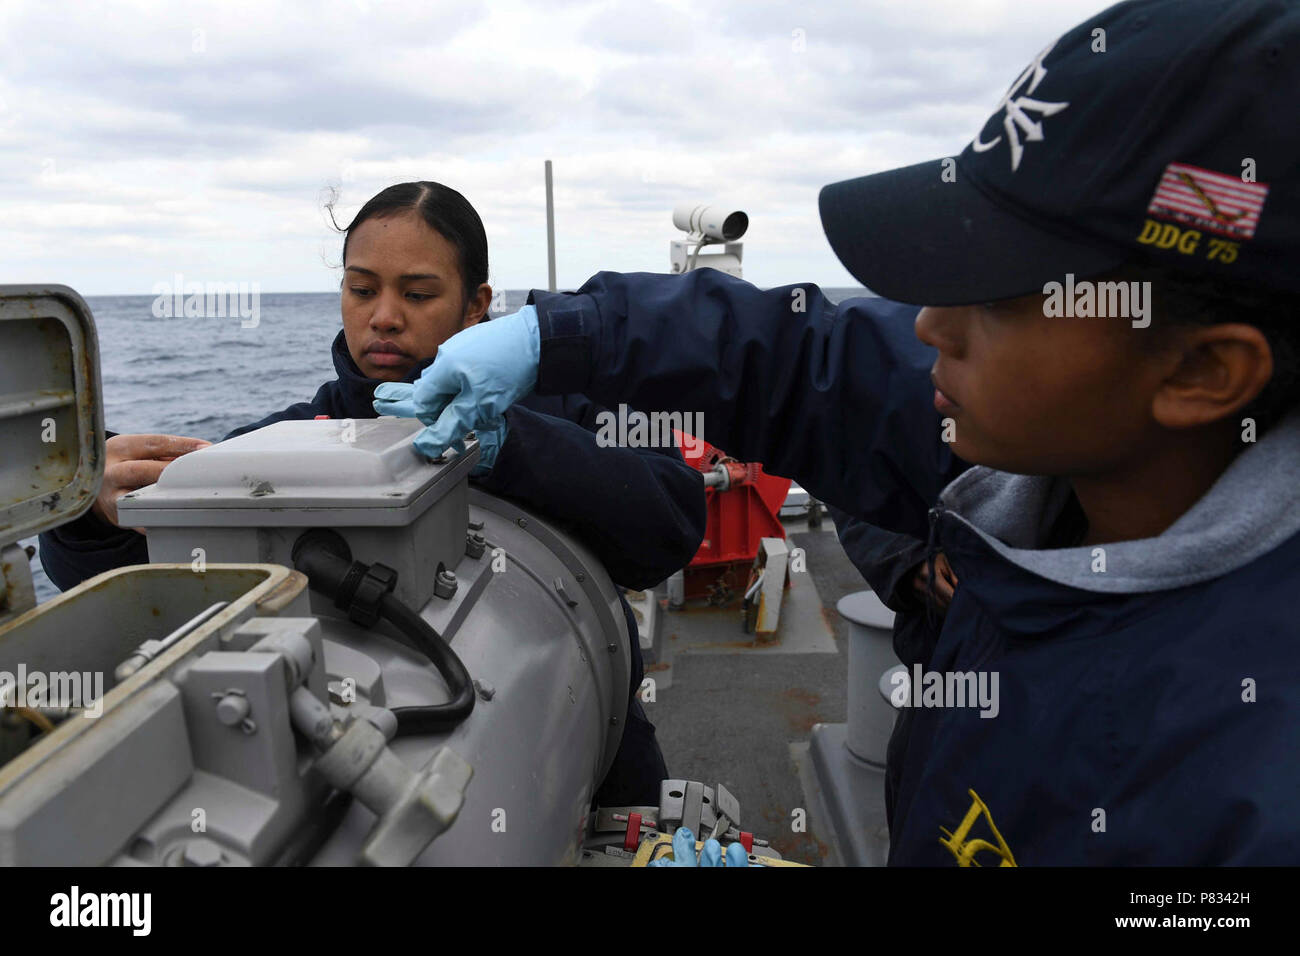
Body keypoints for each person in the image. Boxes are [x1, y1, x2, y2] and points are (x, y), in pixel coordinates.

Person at [375, 0, 1300, 865]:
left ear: (1204, 373)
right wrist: (562, 333)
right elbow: (797, 362)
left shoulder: (1249, 790)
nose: (933, 326)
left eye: (1001, 296)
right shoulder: (1062, 434)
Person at [38, 181, 708, 809]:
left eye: (417, 295)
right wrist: (92, 509)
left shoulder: (565, 400)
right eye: (361, 290)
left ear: (477, 305)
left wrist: (510, 444)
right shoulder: (306, 434)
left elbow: (670, 527)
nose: (383, 318)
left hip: (592, 734)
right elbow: (111, 581)